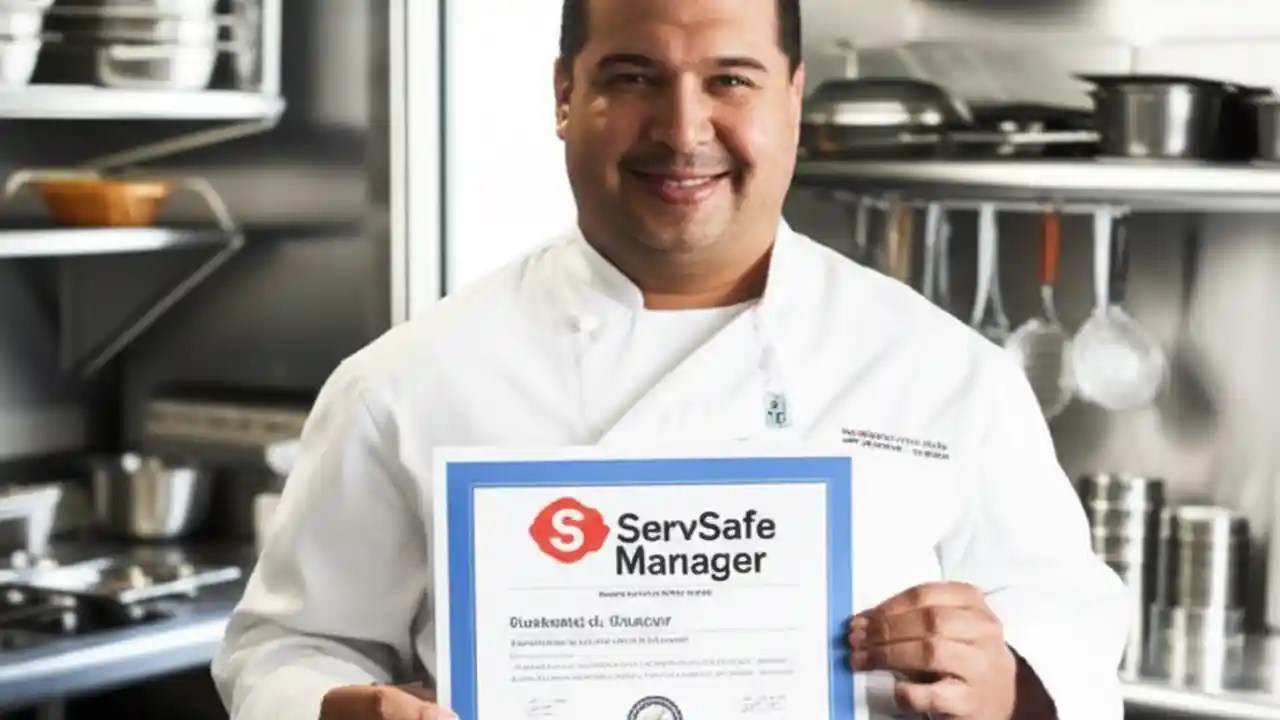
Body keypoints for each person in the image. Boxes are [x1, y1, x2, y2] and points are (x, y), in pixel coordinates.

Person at [211, 0, 1130, 718]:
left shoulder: (945, 374)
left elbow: (1072, 623)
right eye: (635, 76)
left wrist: (1009, 684)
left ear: (793, 100)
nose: (684, 130)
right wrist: (333, 709)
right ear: (564, 95)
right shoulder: (406, 384)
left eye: (730, 79)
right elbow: (285, 647)